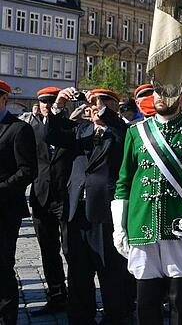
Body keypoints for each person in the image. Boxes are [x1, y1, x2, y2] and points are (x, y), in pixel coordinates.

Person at [112, 87, 182, 325]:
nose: (160, 98)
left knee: (180, 298)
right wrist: (120, 226)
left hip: (178, 228)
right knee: (146, 299)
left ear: (181, 97)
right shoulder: (136, 132)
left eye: (167, 93)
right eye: (157, 93)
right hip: (141, 226)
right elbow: (124, 182)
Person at [46, 86, 133, 325]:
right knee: (78, 270)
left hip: (104, 211)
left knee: (110, 270)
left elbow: (119, 134)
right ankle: (81, 316)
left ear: (115, 107)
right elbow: (53, 135)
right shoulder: (82, 130)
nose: (94, 106)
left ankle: (116, 316)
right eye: (94, 102)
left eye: (103, 102)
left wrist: (102, 109)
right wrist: (58, 106)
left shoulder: (122, 131)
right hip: (77, 210)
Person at [19, 86, 74, 315]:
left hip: (66, 196)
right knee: (48, 250)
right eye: (44, 102)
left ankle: (78, 295)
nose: (47, 105)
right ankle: (56, 294)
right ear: (38, 103)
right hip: (41, 196)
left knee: (71, 250)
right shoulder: (29, 129)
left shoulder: (70, 127)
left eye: (51, 101)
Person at [0, 80, 36, 325]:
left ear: (3, 99)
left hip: (4, 209)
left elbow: (27, 171)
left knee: (2, 267)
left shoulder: (18, 129)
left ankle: (6, 317)